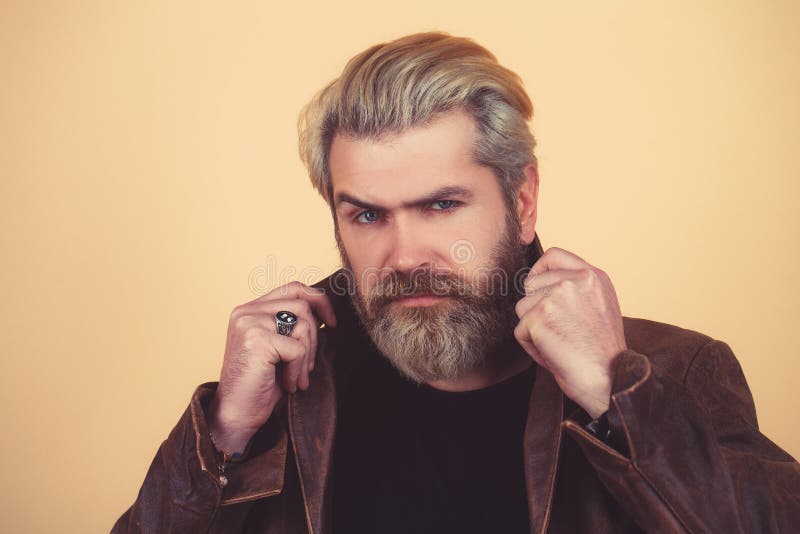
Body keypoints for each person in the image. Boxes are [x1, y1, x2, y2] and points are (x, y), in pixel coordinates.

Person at [112, 32, 800, 533]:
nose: (405, 254)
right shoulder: (285, 395)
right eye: (368, 215)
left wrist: (615, 398)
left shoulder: (674, 373)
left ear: (522, 201)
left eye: (442, 205)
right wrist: (224, 433)